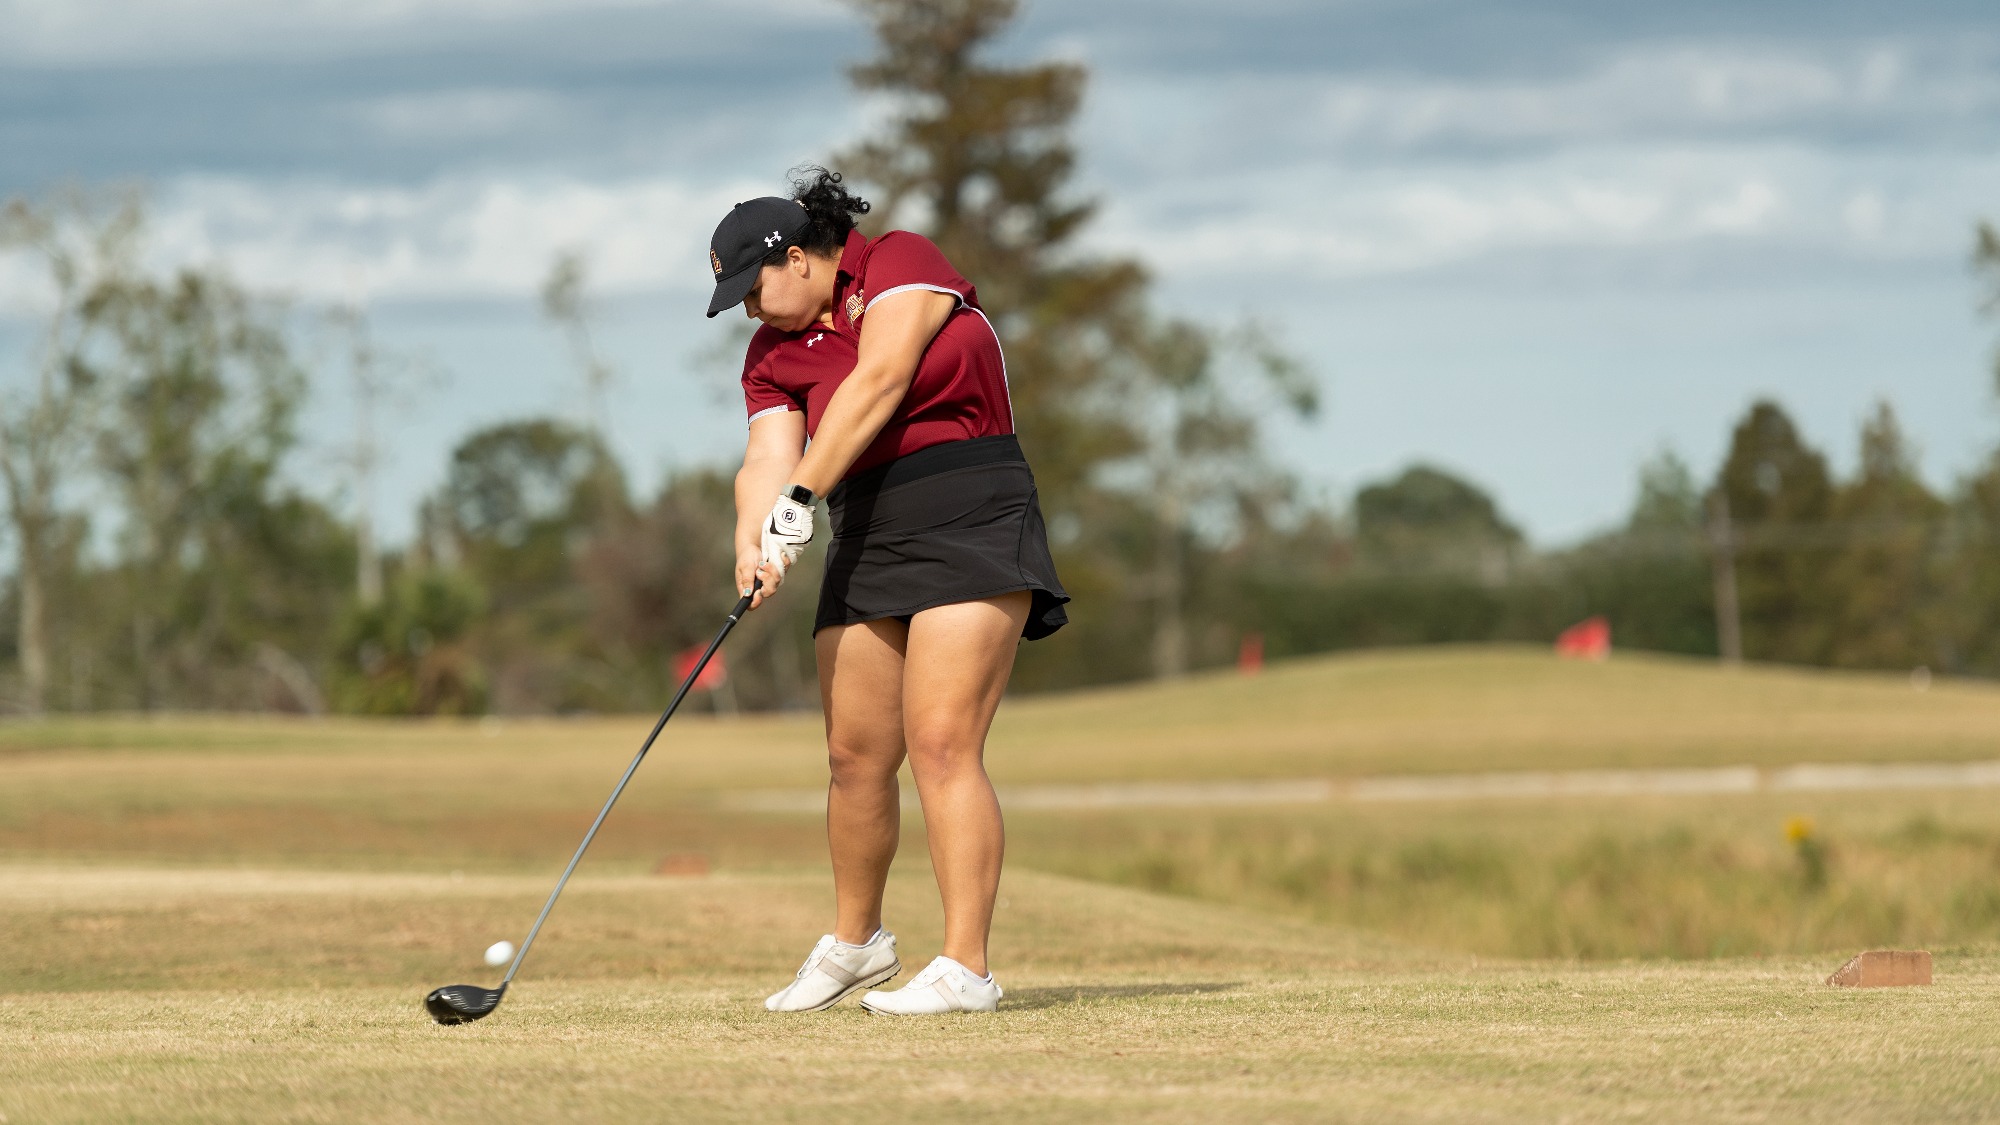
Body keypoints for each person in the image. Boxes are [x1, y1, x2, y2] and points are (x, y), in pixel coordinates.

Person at [705, 168, 1068, 1015]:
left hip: (971, 505)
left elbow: (882, 380)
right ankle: (858, 944)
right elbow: (765, 457)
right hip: (868, 523)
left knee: (941, 743)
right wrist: (754, 538)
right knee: (854, 755)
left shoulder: (901, 260)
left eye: (750, 290)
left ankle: (966, 968)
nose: (750, 313)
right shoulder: (771, 356)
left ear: (797, 257)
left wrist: (798, 499)